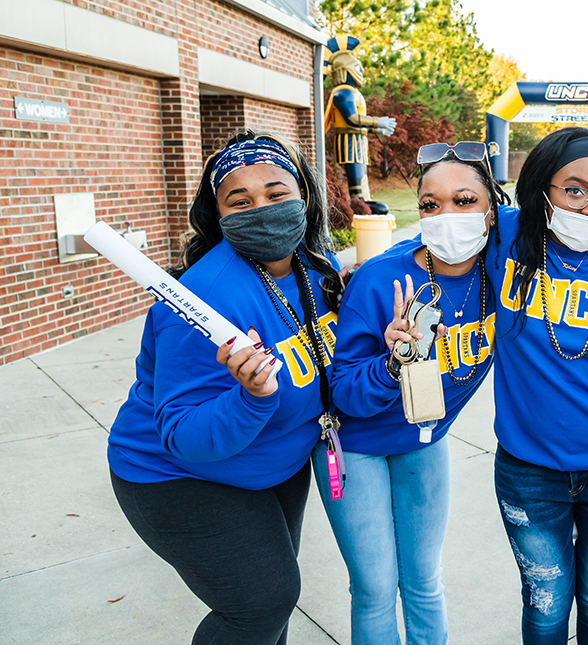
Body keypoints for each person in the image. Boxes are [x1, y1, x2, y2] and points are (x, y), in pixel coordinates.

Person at [107, 131, 342, 644]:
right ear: (219, 215)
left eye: (277, 193)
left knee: (265, 610)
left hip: (274, 466)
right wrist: (251, 397)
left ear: (304, 194)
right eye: (241, 201)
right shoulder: (199, 299)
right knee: (260, 604)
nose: (263, 208)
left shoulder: (319, 270)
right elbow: (182, 434)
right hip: (175, 475)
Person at [319, 142, 509, 645]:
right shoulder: (383, 278)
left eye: (465, 200)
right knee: (377, 587)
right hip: (356, 444)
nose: (447, 214)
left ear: (492, 209)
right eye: (430, 204)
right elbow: (345, 393)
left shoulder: (503, 276)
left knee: (424, 581)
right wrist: (392, 362)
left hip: (425, 439)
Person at [487, 127, 588, 644]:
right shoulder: (503, 240)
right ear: (542, 188)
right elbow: (438, 218)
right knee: (546, 610)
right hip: (529, 472)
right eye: (574, 189)